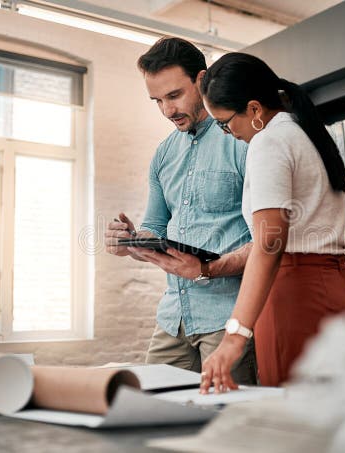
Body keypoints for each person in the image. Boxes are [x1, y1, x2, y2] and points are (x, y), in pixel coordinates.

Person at [198, 52, 345, 392]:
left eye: (225, 122)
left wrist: (234, 336)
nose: (227, 133)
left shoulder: (269, 142)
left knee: (297, 426)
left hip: (296, 296)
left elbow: (270, 243)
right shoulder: (308, 133)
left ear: (255, 109)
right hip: (337, 284)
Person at [104, 38, 257, 385]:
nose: (167, 111)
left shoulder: (240, 141)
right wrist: (130, 243)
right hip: (173, 318)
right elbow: (155, 229)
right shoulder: (162, 156)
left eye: (174, 96)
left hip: (227, 317)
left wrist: (205, 269)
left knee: (225, 423)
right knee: (149, 410)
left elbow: (266, 241)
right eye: (157, 101)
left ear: (202, 81)